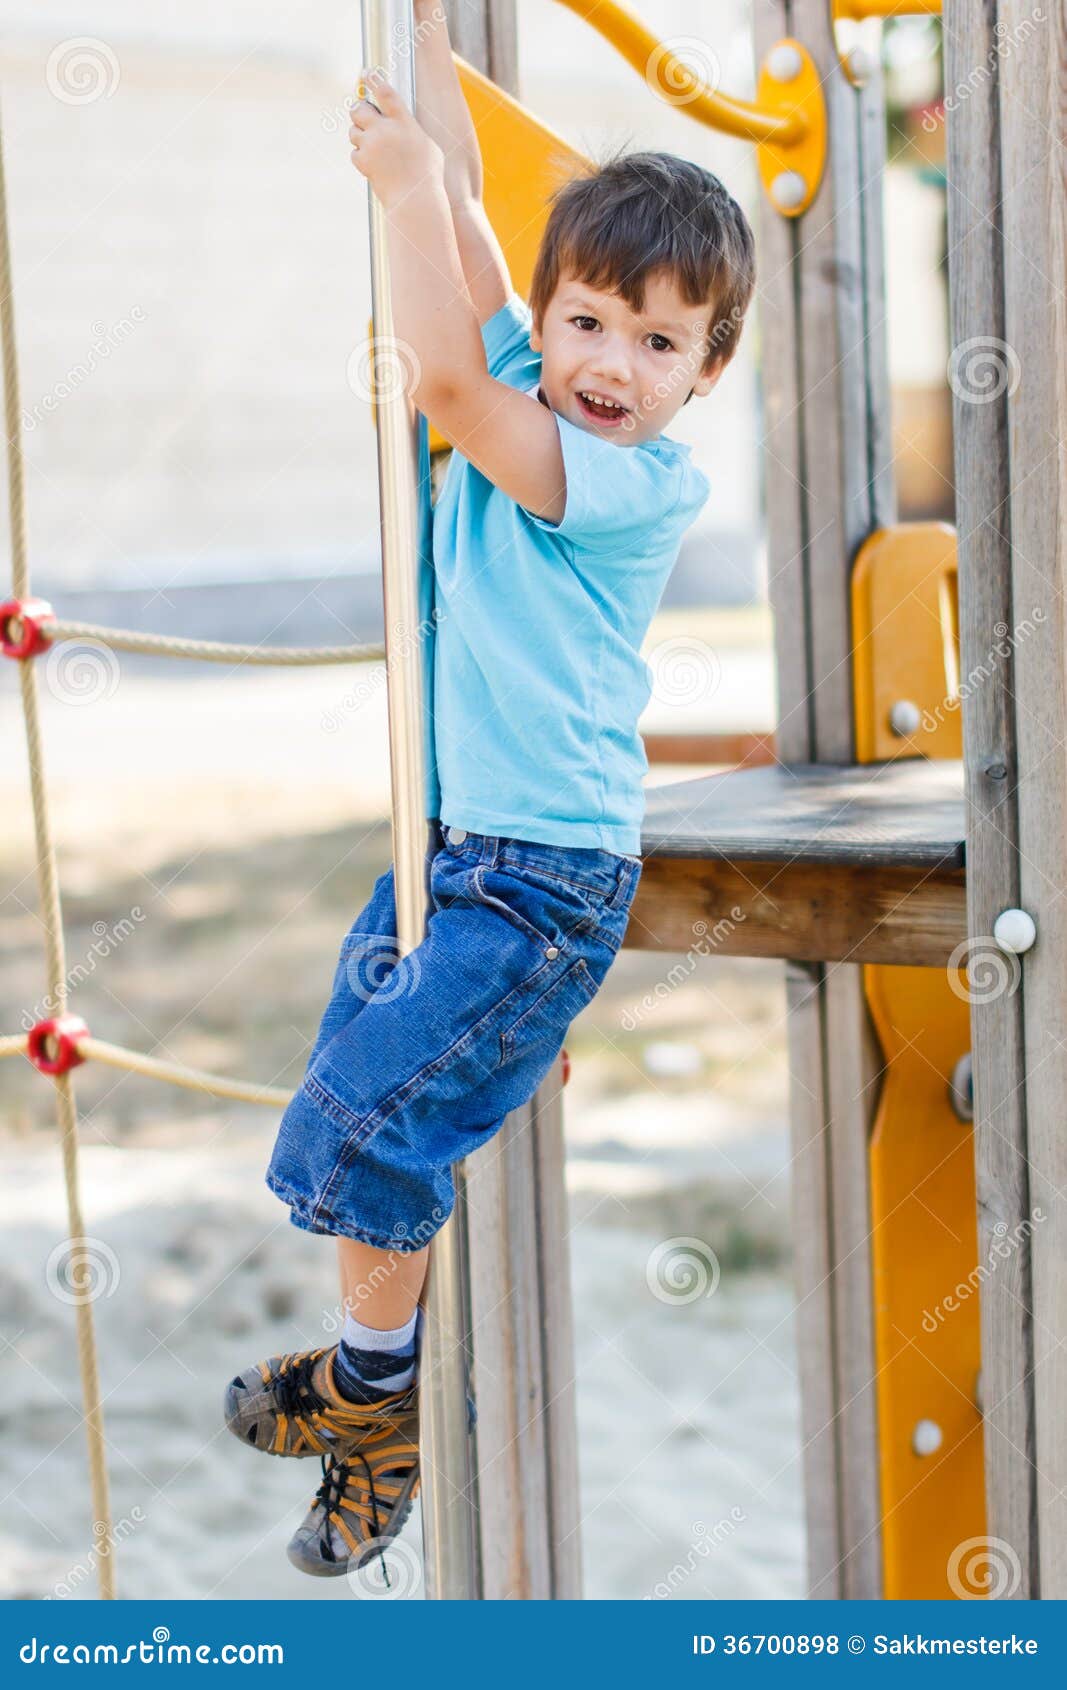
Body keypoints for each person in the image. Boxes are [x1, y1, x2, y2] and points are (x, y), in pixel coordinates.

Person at [223, 0, 756, 1579]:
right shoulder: (545, 368)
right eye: (590, 321)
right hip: (456, 852)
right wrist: (432, 111)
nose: (610, 365)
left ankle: (367, 1395)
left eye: (661, 345)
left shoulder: (631, 480)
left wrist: (396, 191)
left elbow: (447, 387)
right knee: (368, 1114)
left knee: (349, 1127)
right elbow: (472, 243)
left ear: (705, 373)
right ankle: (371, 1396)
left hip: (540, 880)